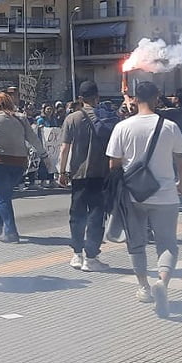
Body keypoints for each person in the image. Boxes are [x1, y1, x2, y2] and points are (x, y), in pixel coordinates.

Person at [106, 81, 182, 315]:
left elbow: (113, 163)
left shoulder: (123, 127)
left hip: (133, 195)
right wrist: (181, 184)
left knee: (136, 243)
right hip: (165, 194)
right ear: (156, 98)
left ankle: (143, 286)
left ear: (134, 99)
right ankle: (162, 281)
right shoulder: (170, 127)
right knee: (167, 243)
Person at [58, 81, 114, 271]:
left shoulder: (72, 118)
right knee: (97, 215)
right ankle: (91, 257)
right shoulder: (105, 117)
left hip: (78, 174)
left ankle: (77, 254)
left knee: (77, 214)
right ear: (97, 97)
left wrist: (62, 171)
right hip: (101, 173)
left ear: (80, 98)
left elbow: (64, 148)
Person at [0, 91, 46, 243]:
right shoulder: (21, 117)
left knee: (1, 196)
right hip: (19, 164)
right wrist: (44, 155)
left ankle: (10, 232)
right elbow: (32, 138)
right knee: (4, 195)